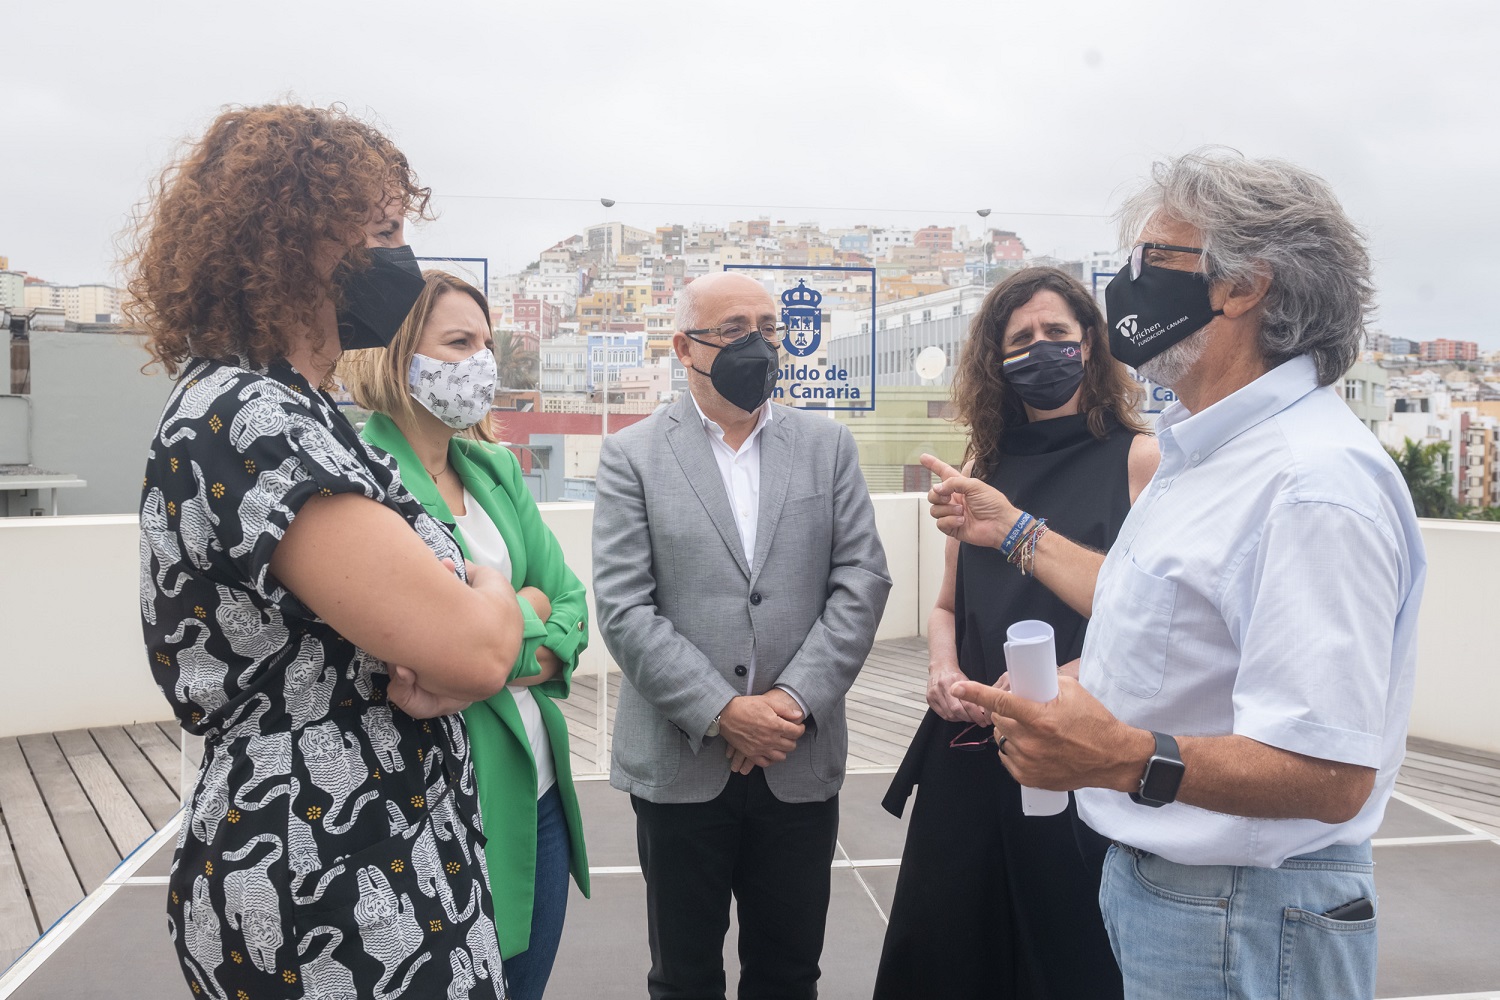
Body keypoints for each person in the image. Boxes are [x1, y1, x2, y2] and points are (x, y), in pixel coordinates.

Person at [938, 150, 1426, 1000]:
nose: (1125, 288)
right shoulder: (1205, 454)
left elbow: (1331, 773)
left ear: (1241, 288)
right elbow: (1169, 625)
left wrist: (1122, 755)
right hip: (1170, 894)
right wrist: (1080, 681)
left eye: (1152, 261)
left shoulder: (1312, 484)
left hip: (1245, 917)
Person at [132, 104, 521, 1000]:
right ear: (290, 243)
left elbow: (449, 641)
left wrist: (461, 640)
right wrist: (489, 596)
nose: (403, 261)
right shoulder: (250, 418)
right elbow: (478, 643)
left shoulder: (300, 412)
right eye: (381, 229)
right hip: (330, 878)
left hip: (378, 848)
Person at [592, 270, 892, 1000]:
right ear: (683, 347)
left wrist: (790, 704)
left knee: (789, 973)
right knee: (683, 976)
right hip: (680, 759)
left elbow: (862, 582)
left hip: (798, 756)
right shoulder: (631, 455)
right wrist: (726, 712)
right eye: (733, 331)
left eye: (768, 328)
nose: (757, 345)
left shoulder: (828, 447)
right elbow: (625, 606)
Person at [874, 267, 1158, 999]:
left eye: (1057, 333)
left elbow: (1154, 618)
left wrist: (1076, 675)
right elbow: (947, 604)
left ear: (1091, 345)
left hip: (1074, 749)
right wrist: (943, 670)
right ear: (995, 363)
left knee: (1066, 956)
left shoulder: (1139, 461)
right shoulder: (983, 465)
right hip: (966, 754)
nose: (1041, 348)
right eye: (1021, 338)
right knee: (946, 954)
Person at [339, 270, 591, 999]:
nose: (482, 362)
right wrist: (520, 618)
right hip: (443, 801)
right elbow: (419, 654)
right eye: (458, 342)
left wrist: (499, 635)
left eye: (486, 343)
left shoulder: (494, 468)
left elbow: (569, 597)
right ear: (394, 354)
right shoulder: (363, 480)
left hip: (540, 791)